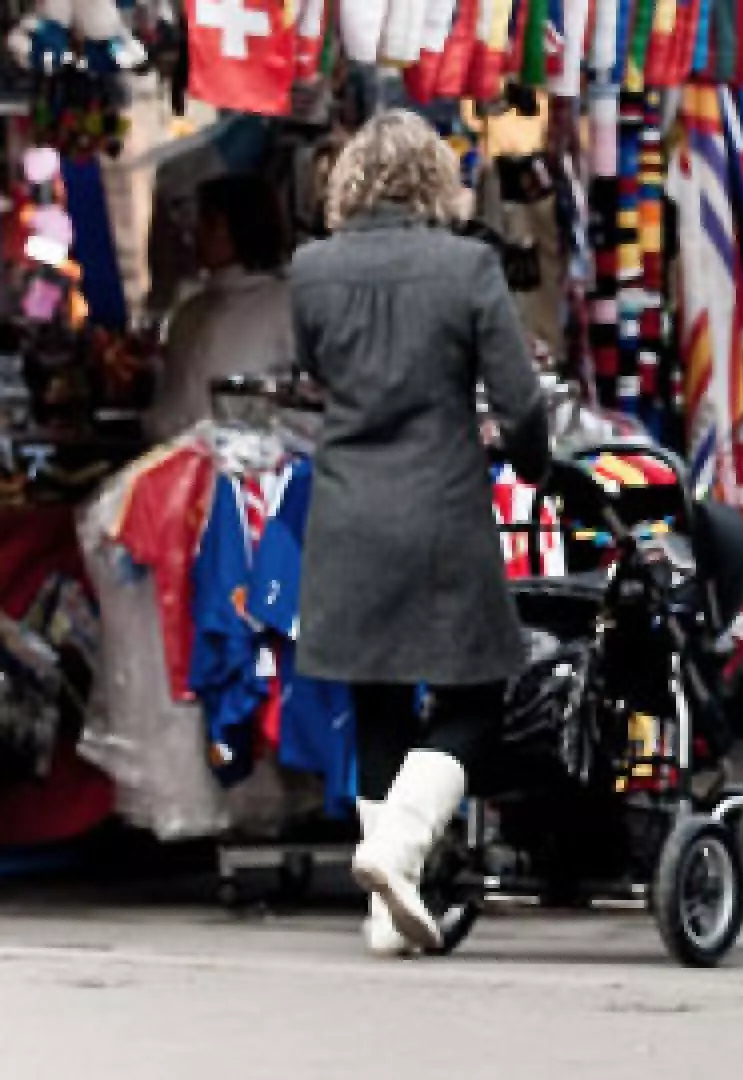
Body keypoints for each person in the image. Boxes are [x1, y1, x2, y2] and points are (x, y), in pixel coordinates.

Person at [291, 110, 549, 957]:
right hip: (439, 507)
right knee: (481, 693)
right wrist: (535, 465)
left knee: (376, 698)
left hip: (346, 510)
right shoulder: (466, 266)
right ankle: (398, 848)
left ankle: (385, 915)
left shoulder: (312, 271)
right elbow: (519, 404)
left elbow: (318, 376)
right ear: (434, 179)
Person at [144, 174, 296, 442]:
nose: (195, 234)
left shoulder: (286, 306)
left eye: (208, 223)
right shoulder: (190, 311)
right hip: (181, 467)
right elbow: (174, 406)